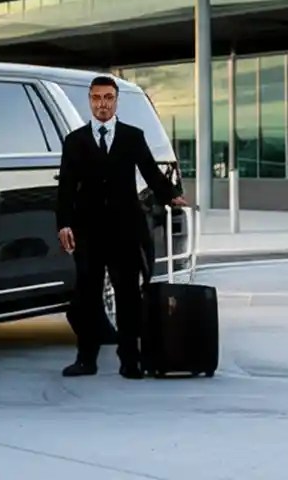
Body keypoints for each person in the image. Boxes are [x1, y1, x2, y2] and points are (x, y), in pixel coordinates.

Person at [55, 75, 187, 379]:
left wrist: (171, 195)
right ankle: (86, 360)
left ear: (116, 101)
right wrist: (63, 224)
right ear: (90, 101)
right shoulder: (75, 141)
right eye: (97, 98)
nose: (102, 104)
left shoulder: (132, 136)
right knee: (87, 297)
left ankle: (130, 360)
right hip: (87, 231)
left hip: (125, 229)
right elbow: (66, 187)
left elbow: (151, 172)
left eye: (108, 98)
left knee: (128, 296)